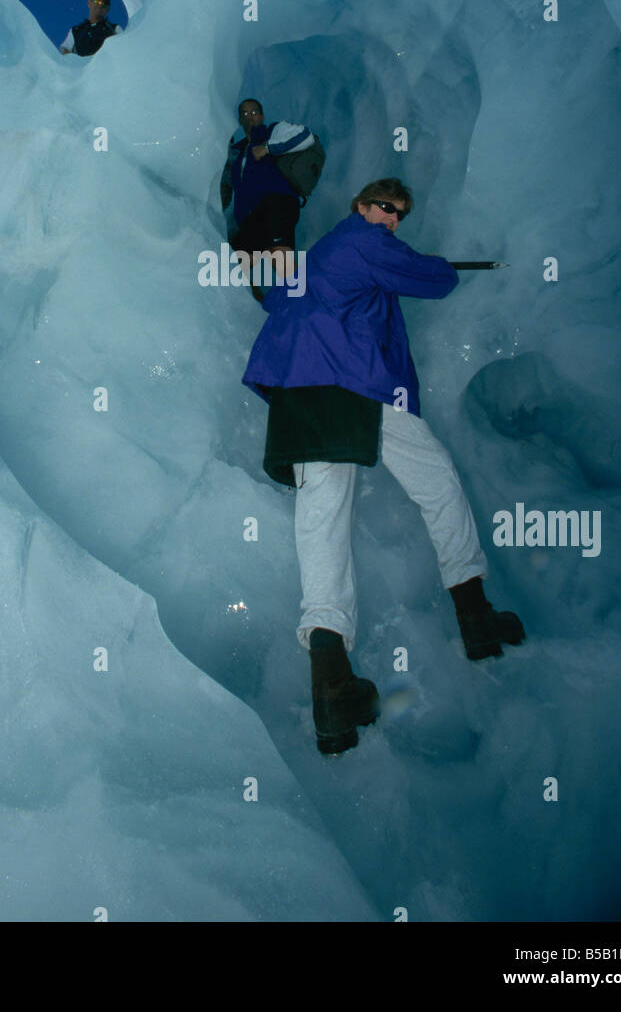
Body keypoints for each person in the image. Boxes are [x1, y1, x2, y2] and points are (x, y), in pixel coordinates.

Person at [242, 177, 525, 755]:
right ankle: (475, 616)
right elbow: (431, 279)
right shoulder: (362, 241)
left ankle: (331, 685)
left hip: (301, 394)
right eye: (385, 207)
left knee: (322, 518)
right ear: (362, 207)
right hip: (348, 382)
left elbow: (274, 299)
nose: (392, 218)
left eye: (400, 213)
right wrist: (439, 266)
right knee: (436, 480)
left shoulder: (325, 254)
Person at [220, 99, 315, 293]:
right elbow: (225, 191)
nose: (250, 116)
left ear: (262, 116)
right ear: (238, 119)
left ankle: (312, 309)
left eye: (254, 112)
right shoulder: (236, 154)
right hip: (250, 218)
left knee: (278, 258)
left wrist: (267, 148)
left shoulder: (273, 132)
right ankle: (257, 312)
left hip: (277, 203)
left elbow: (305, 136)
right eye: (244, 113)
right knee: (233, 271)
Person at [59, 0, 123, 56]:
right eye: (97, 2)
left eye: (105, 5)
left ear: (107, 10)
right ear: (89, 3)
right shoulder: (75, 31)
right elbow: (64, 49)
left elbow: (124, 48)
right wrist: (75, 62)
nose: (101, 6)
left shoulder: (114, 29)